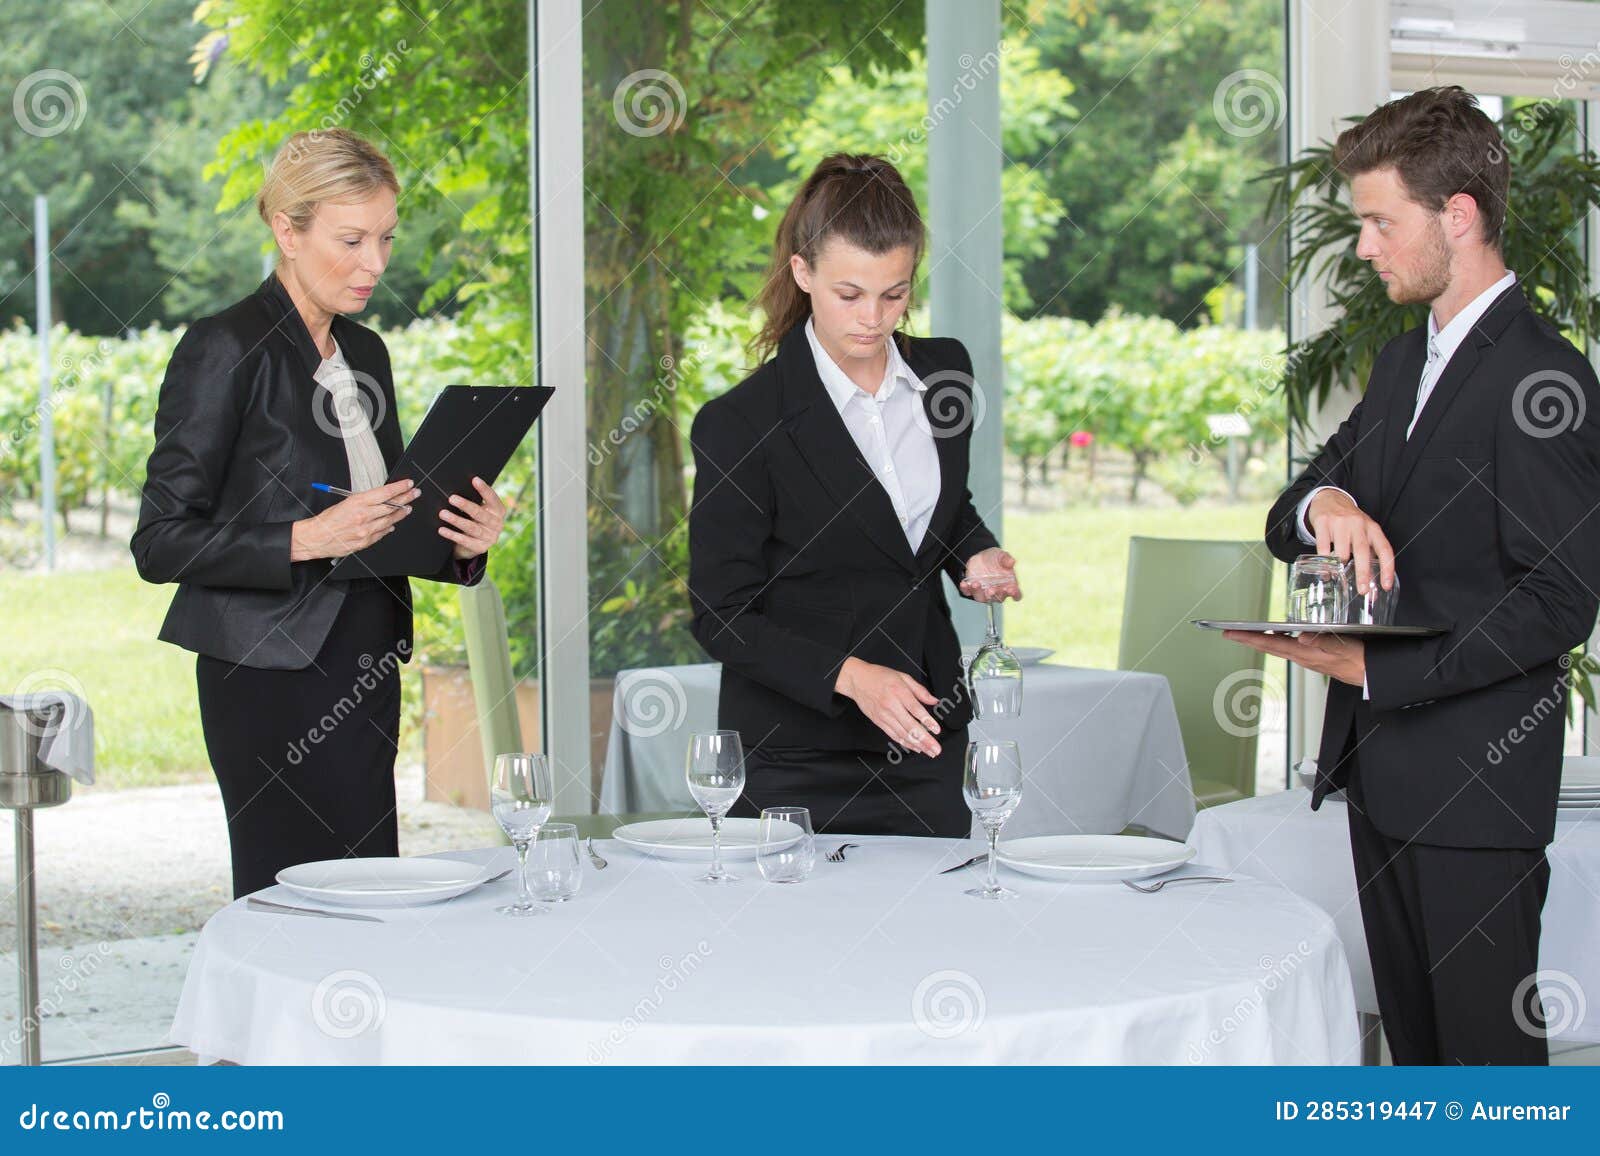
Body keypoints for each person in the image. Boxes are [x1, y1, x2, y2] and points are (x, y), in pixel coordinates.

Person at [1229, 87, 1600, 1064]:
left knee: (1485, 1073)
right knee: (1421, 1066)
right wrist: (1329, 506)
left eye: (1379, 223)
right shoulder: (1402, 366)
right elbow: (1291, 506)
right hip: (1384, 782)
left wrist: (1378, 672)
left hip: (1476, 798)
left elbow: (1562, 598)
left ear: (1459, 216)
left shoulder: (1540, 379)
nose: (1363, 248)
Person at [131, 129, 508, 898]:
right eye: (352, 239)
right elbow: (160, 541)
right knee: (292, 899)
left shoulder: (366, 353)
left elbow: (387, 519)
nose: (375, 263)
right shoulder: (222, 348)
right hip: (266, 677)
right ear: (287, 230)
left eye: (385, 239)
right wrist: (304, 538)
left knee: (370, 890)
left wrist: (465, 540)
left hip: (364, 663)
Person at [687, 153, 1019, 837]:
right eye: (850, 294)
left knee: (941, 940)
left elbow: (939, 511)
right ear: (803, 274)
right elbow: (720, 615)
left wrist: (976, 554)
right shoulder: (741, 424)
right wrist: (852, 677)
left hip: (927, 740)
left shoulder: (944, 369)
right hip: (794, 756)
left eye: (894, 295)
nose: (873, 319)